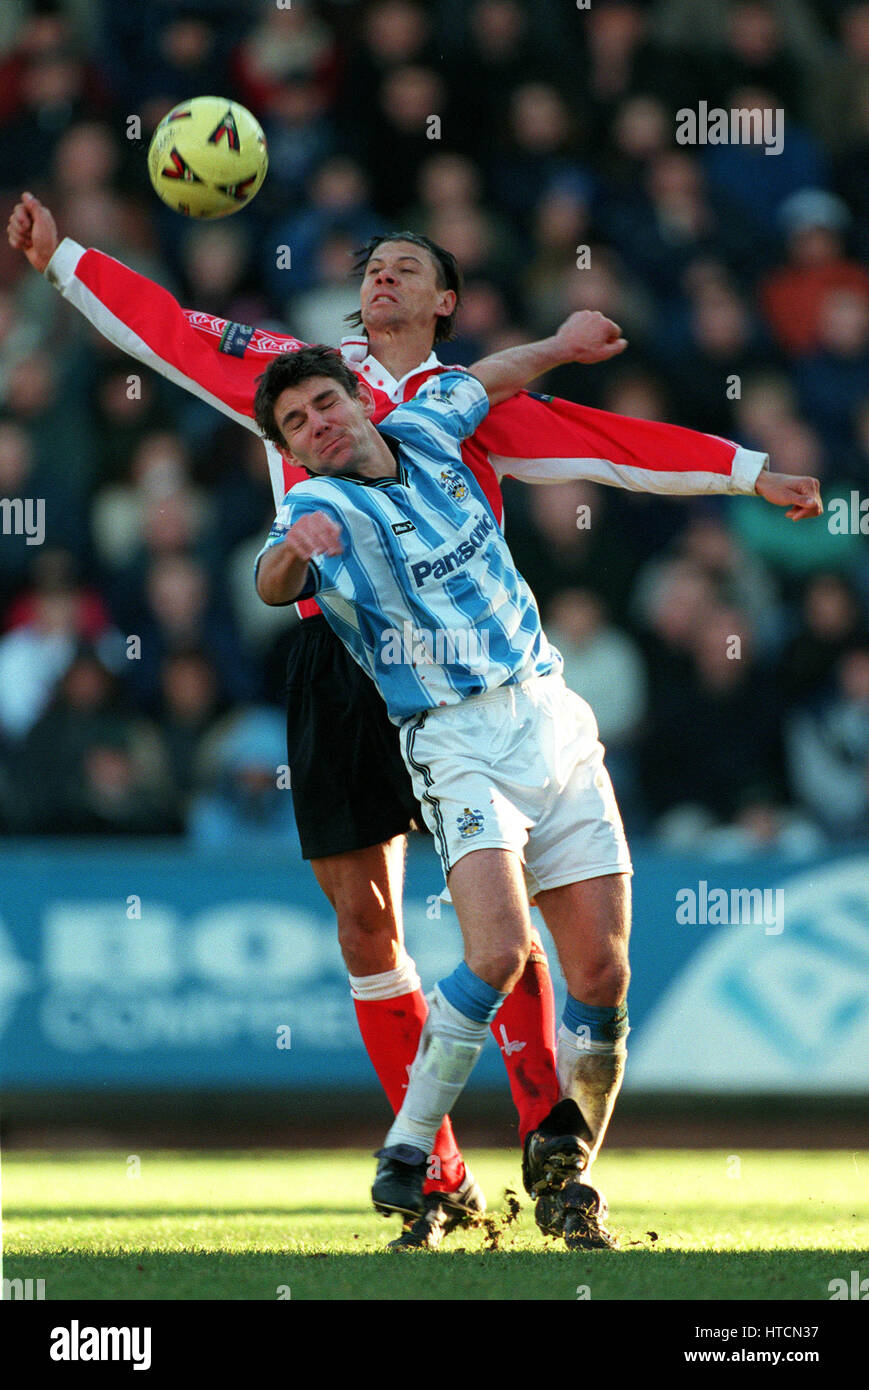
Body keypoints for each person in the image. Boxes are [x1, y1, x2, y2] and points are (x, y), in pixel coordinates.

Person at [8, 193, 816, 1248]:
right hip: (339, 667)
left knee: (510, 928)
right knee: (365, 922)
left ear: (445, 301)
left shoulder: (453, 401)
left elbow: (599, 441)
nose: (379, 278)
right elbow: (170, 334)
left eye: (404, 266)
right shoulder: (301, 375)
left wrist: (746, 471)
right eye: (369, 265)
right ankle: (431, 1177)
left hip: (468, 680)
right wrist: (65, 256)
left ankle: (549, 1149)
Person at [253, 342, 821, 1249]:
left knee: (601, 976)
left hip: (553, 719)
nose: (317, 424)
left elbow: (490, 379)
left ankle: (568, 1174)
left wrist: (561, 343)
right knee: (496, 952)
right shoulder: (324, 504)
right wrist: (292, 551)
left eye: (324, 403)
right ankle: (406, 1154)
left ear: (361, 399)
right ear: (293, 450)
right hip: (453, 739)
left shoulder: (433, 425)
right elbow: (270, 579)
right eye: (295, 423)